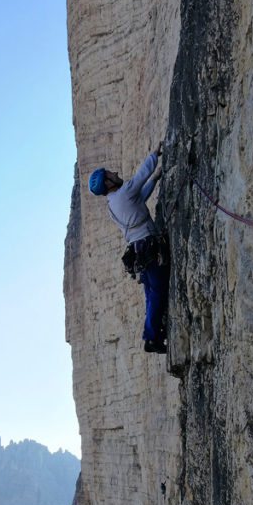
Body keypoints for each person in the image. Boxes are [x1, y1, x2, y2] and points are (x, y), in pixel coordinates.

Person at [88, 145, 169, 353]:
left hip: (139, 251)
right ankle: (151, 337)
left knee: (151, 293)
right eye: (110, 174)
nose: (115, 173)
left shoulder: (113, 204)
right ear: (108, 183)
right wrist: (155, 154)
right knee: (158, 291)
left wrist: (155, 180)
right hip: (148, 247)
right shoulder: (123, 192)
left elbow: (139, 198)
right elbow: (142, 174)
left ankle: (154, 332)